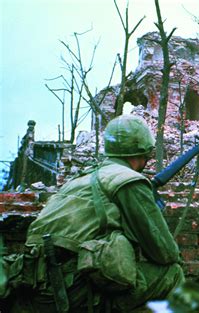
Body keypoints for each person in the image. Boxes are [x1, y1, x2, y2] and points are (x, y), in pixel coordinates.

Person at [8, 115, 184, 312]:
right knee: (172, 273)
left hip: (33, 288)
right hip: (69, 292)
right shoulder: (127, 180)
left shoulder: (80, 178)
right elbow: (165, 252)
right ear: (145, 150)